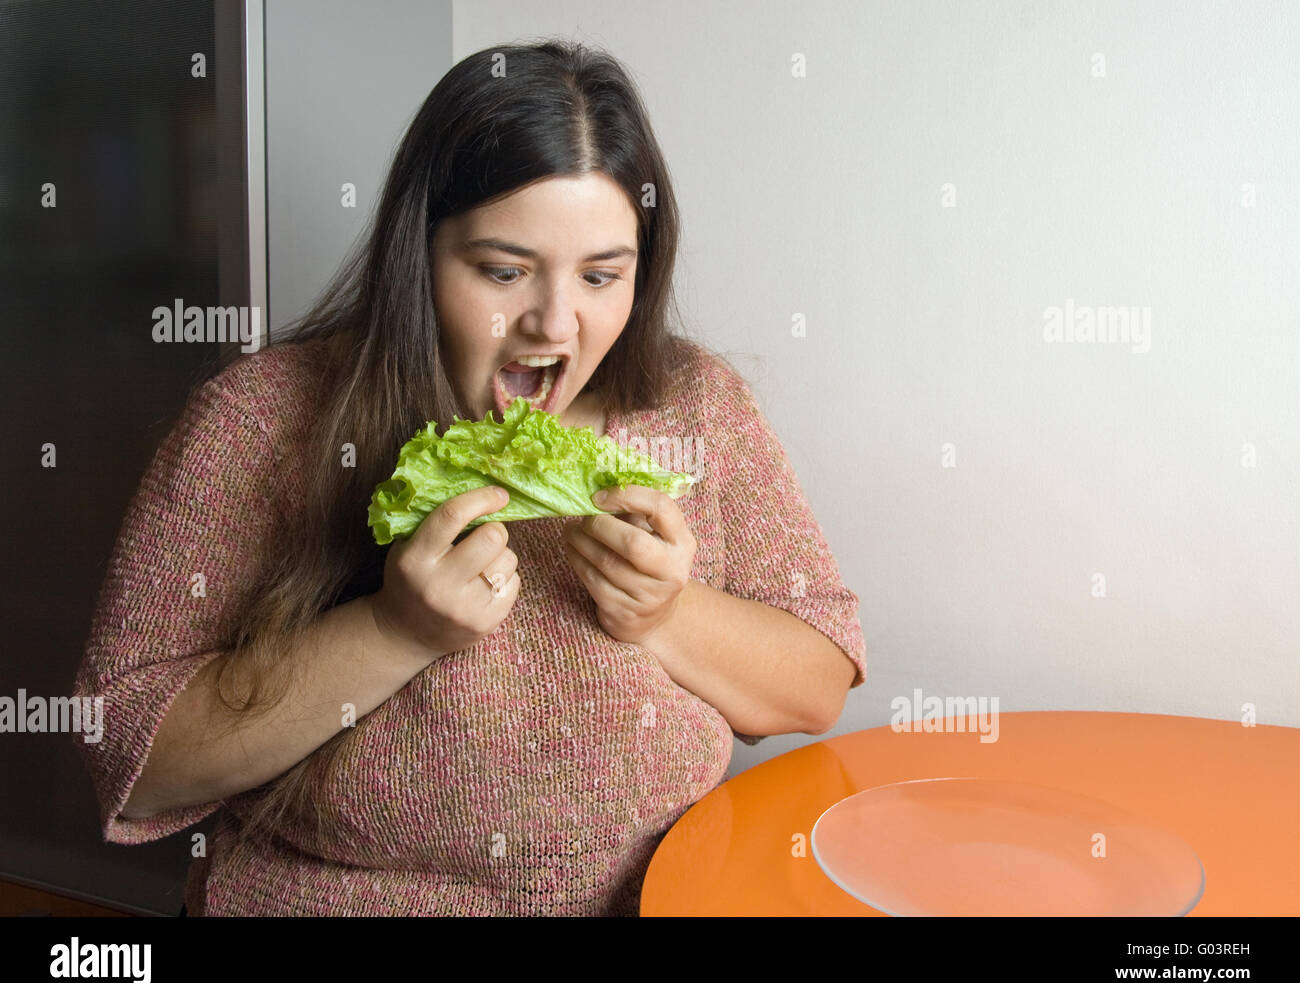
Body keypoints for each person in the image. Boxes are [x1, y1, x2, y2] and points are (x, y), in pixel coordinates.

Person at [71, 39, 866, 917]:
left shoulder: (697, 408)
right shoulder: (264, 420)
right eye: (503, 270)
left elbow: (818, 681)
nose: (555, 322)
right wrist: (394, 630)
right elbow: (130, 759)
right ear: (419, 254)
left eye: (603, 274)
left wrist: (669, 614)